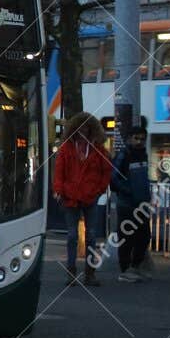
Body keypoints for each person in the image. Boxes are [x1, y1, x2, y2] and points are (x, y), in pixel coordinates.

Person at [52, 112, 112, 286]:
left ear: (91, 129)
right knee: (72, 236)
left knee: (91, 236)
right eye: (80, 128)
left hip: (89, 197)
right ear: (75, 129)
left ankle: (89, 273)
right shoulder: (66, 149)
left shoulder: (97, 149)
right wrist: (60, 190)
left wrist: (99, 190)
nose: (83, 130)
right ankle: (72, 272)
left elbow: (106, 172)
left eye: (86, 127)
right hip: (71, 197)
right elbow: (59, 173)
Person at [110, 125, 155, 283]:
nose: (139, 141)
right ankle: (125, 270)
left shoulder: (143, 155)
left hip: (142, 203)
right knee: (127, 238)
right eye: (136, 138)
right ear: (129, 139)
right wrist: (129, 191)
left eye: (142, 138)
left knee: (144, 236)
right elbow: (113, 178)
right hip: (127, 204)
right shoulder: (123, 155)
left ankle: (134, 267)